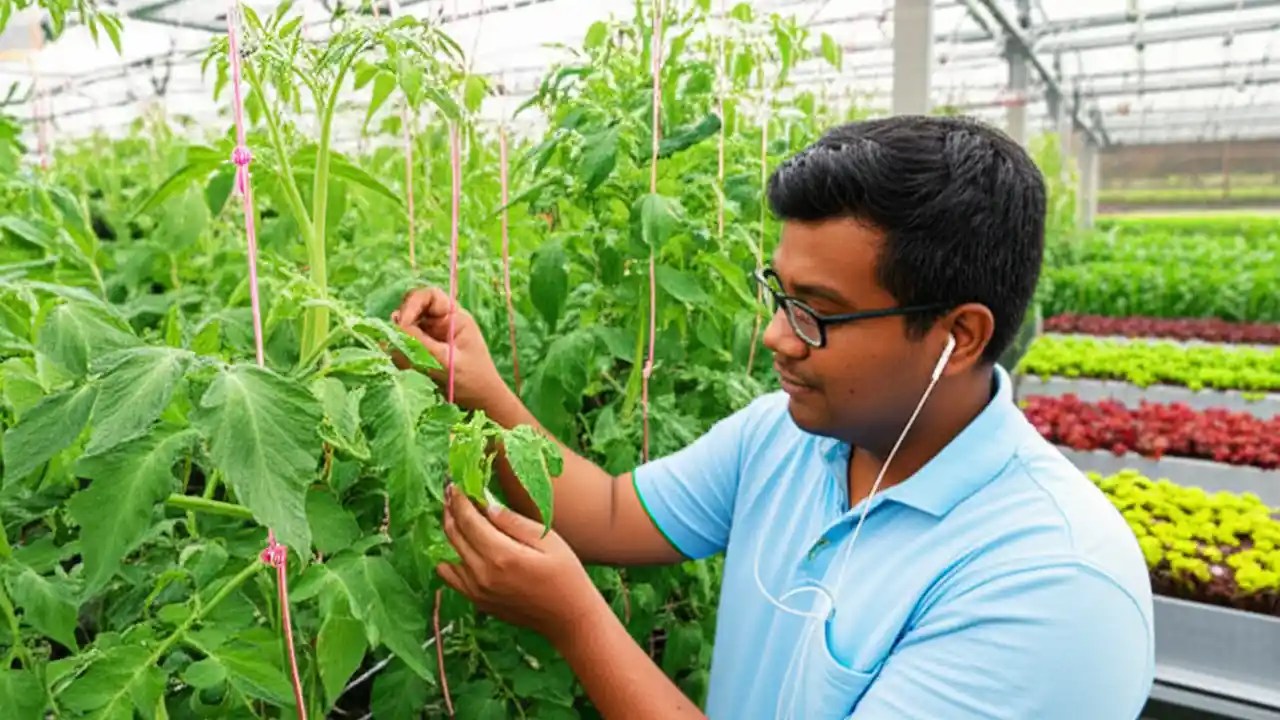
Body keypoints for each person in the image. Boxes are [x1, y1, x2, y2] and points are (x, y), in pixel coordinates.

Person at [391, 115, 1155, 719]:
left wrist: (577, 624)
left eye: (818, 314)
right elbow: (611, 513)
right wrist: (475, 386)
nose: (775, 336)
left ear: (959, 337)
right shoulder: (786, 436)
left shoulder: (1052, 585)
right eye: (779, 294)